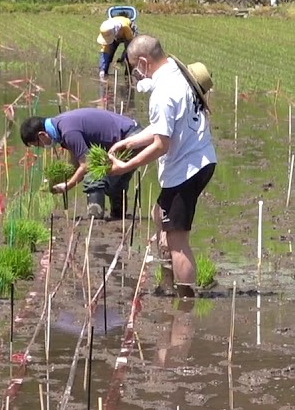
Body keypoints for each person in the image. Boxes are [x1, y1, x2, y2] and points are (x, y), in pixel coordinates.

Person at [107, 36, 217, 298]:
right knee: (159, 214)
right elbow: (164, 128)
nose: (135, 74)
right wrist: (129, 141)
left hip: (186, 168)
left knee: (178, 241)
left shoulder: (163, 93)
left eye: (135, 68)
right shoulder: (180, 75)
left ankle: (186, 298)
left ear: (144, 62)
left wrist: (127, 166)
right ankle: (167, 281)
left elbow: (161, 145)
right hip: (201, 159)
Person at [20, 110, 142, 220]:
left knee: (94, 178)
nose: (41, 148)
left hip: (132, 138)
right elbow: (76, 162)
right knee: (115, 182)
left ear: (42, 135)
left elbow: (86, 164)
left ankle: (95, 221)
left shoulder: (68, 131)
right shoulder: (61, 126)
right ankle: (118, 219)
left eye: (37, 145)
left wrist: (69, 185)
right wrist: (61, 178)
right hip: (131, 134)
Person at [98, 15, 137, 80]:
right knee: (108, 55)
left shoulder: (125, 27)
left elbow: (130, 45)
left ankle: (128, 77)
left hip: (128, 32)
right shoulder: (105, 30)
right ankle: (104, 73)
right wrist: (102, 70)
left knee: (129, 56)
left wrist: (124, 57)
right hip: (115, 33)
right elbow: (104, 51)